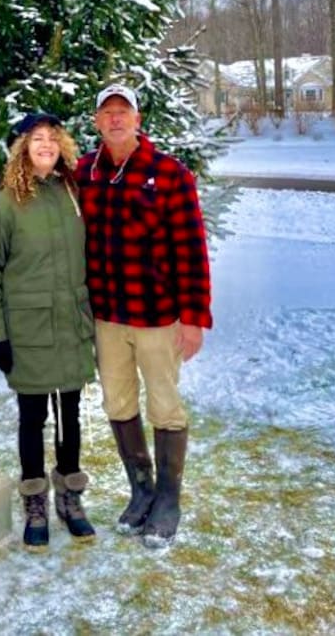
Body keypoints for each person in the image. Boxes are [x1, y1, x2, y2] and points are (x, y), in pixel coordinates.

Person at [75, 83, 212, 549]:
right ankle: (142, 491)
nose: (115, 119)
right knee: (117, 404)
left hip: (158, 318)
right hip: (108, 318)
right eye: (107, 112)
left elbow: (192, 251)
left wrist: (193, 318)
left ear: (138, 120)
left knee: (164, 406)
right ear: (97, 122)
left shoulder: (169, 174)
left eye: (123, 112)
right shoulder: (84, 173)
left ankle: (169, 500)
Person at [0, 112, 97, 552]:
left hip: (71, 326)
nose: (45, 144)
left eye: (52, 138)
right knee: (33, 419)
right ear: (21, 149)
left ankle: (70, 498)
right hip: (28, 331)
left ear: (61, 146)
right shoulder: (8, 203)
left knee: (70, 416)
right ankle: (34, 503)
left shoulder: (73, 192)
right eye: (36, 139)